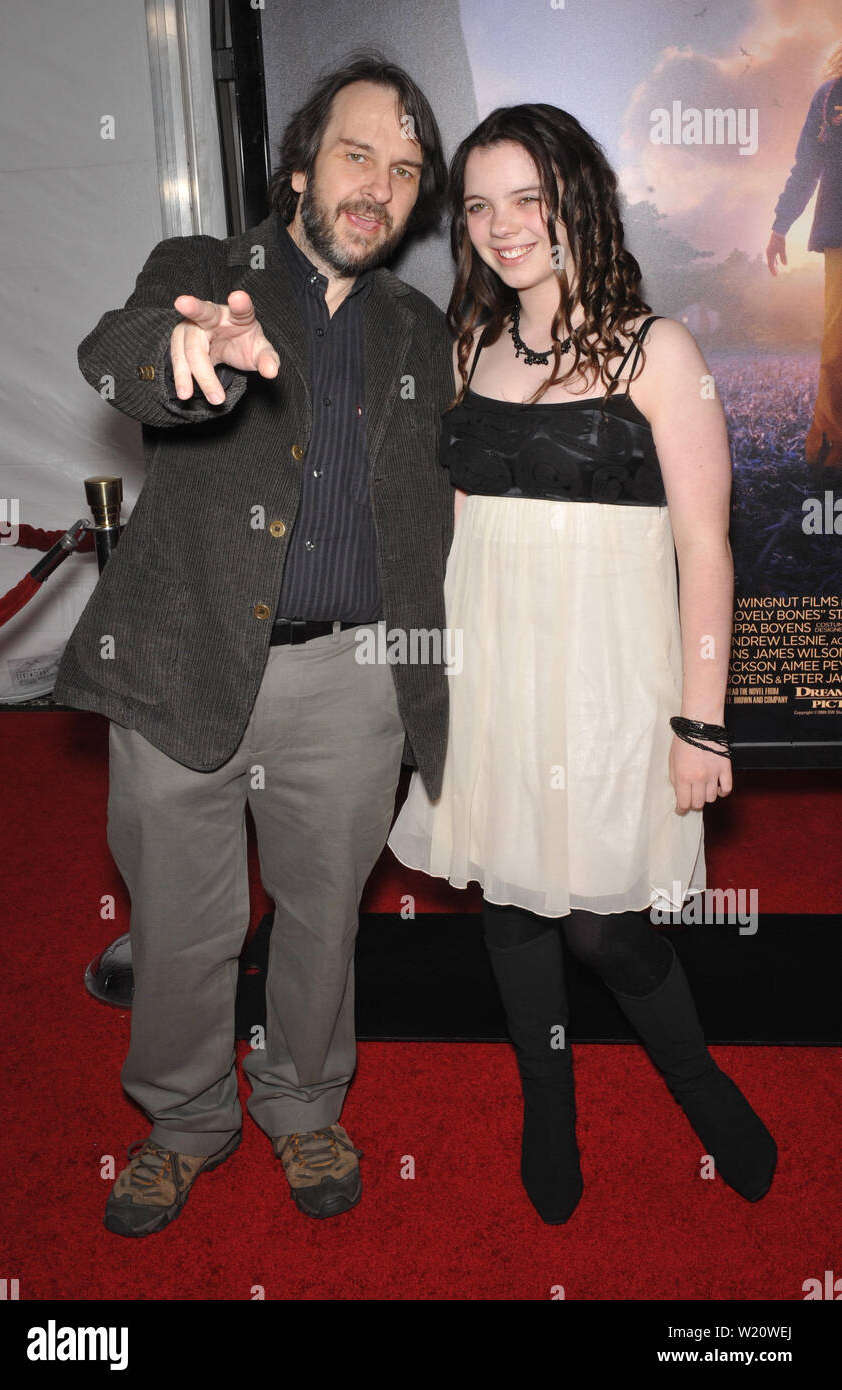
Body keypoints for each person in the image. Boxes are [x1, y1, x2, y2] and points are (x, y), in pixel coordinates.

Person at [53, 53, 454, 1233]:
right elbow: (122, 348)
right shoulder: (206, 272)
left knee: (326, 912)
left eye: (403, 168)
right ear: (297, 168)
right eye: (354, 154)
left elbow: (449, 498)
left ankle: (302, 1098)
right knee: (182, 919)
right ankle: (182, 1120)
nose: (377, 185)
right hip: (186, 657)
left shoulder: (420, 331)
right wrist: (191, 361)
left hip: (351, 681)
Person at [387, 104, 777, 1224]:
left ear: (578, 202)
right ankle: (546, 1101)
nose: (503, 227)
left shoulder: (663, 351)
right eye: (477, 205)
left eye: (528, 198)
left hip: (613, 680)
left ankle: (697, 1081)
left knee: (605, 920)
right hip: (492, 674)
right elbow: (460, 527)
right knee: (509, 900)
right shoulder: (472, 344)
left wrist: (702, 723)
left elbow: (705, 542)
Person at [767, 42, 842, 471]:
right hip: (840, 238)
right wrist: (781, 225)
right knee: (837, 350)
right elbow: (805, 166)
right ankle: (831, 455)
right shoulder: (830, 97)